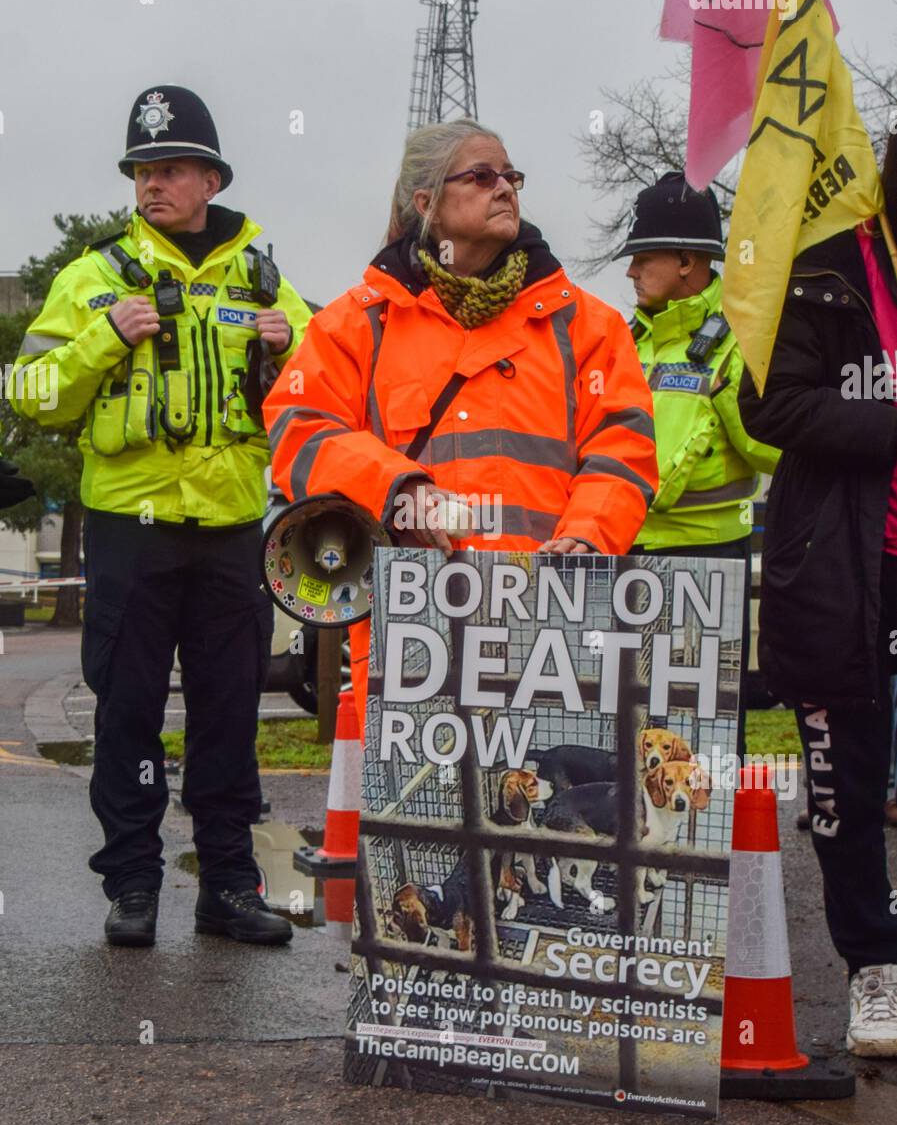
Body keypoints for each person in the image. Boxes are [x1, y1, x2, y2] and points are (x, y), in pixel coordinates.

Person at [11, 85, 312, 947]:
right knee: (127, 713)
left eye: (171, 169)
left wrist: (289, 346)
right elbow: (29, 394)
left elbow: (324, 389)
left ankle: (227, 887)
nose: (152, 185)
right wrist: (105, 336)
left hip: (228, 533)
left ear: (211, 178)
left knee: (227, 715)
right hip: (127, 533)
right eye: (142, 171)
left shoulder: (264, 279)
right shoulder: (93, 276)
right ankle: (134, 888)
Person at [263, 118, 659, 730]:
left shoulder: (589, 327)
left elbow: (623, 449)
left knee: (549, 812)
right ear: (427, 204)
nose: (504, 188)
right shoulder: (354, 325)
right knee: (415, 822)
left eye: (510, 176)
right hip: (413, 634)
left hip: (551, 628)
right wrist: (399, 491)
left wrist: (589, 538)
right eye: (481, 176)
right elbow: (299, 427)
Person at [738, 133, 897, 1055]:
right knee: (847, 773)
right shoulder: (823, 263)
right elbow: (771, 406)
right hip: (844, 563)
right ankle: (873, 966)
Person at [614, 173, 780, 755]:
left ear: (687, 261)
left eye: (641, 257)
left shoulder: (742, 341)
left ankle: (720, 847)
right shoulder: (628, 341)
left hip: (706, 565)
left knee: (700, 736)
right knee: (630, 734)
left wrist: (742, 405)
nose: (631, 271)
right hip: (627, 560)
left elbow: (776, 454)